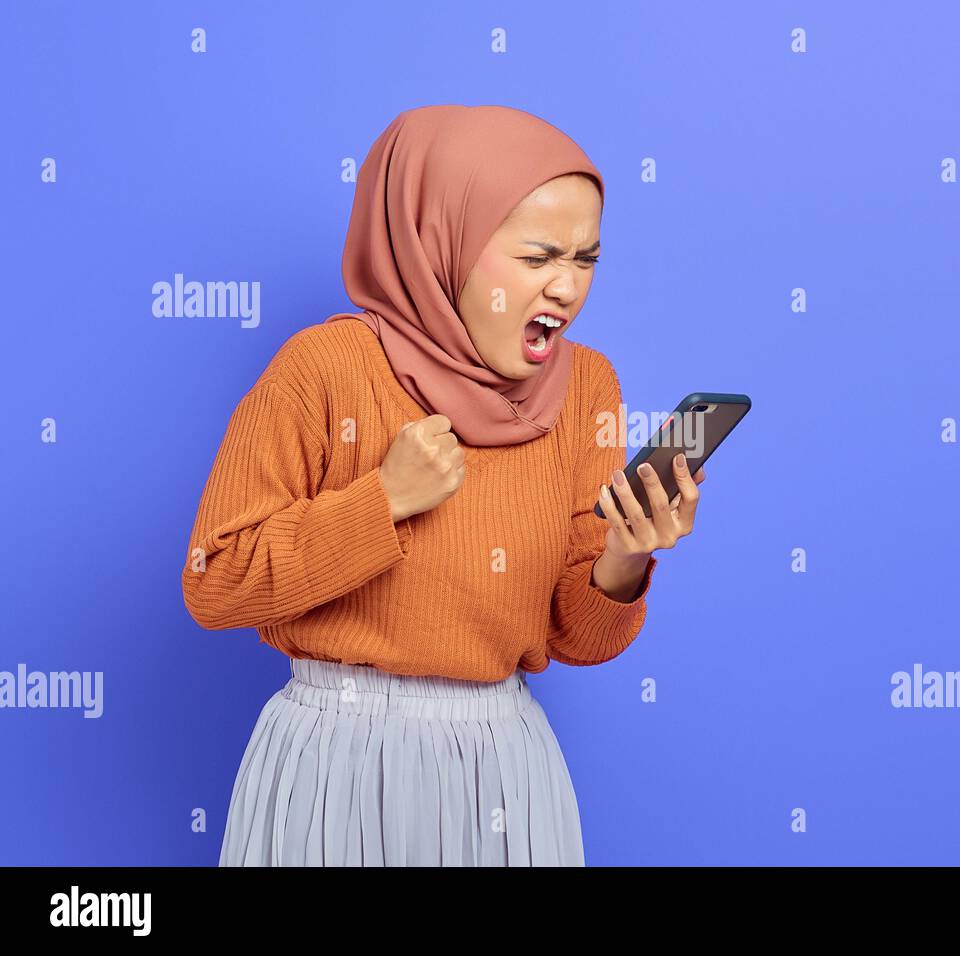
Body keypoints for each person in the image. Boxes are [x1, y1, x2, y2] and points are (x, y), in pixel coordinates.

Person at [181, 105, 706, 866]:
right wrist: (381, 502)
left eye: (586, 260)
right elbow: (214, 582)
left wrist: (624, 558)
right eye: (538, 258)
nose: (566, 288)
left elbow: (577, 637)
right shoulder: (323, 369)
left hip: (503, 771)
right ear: (442, 246)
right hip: (335, 762)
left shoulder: (588, 385)